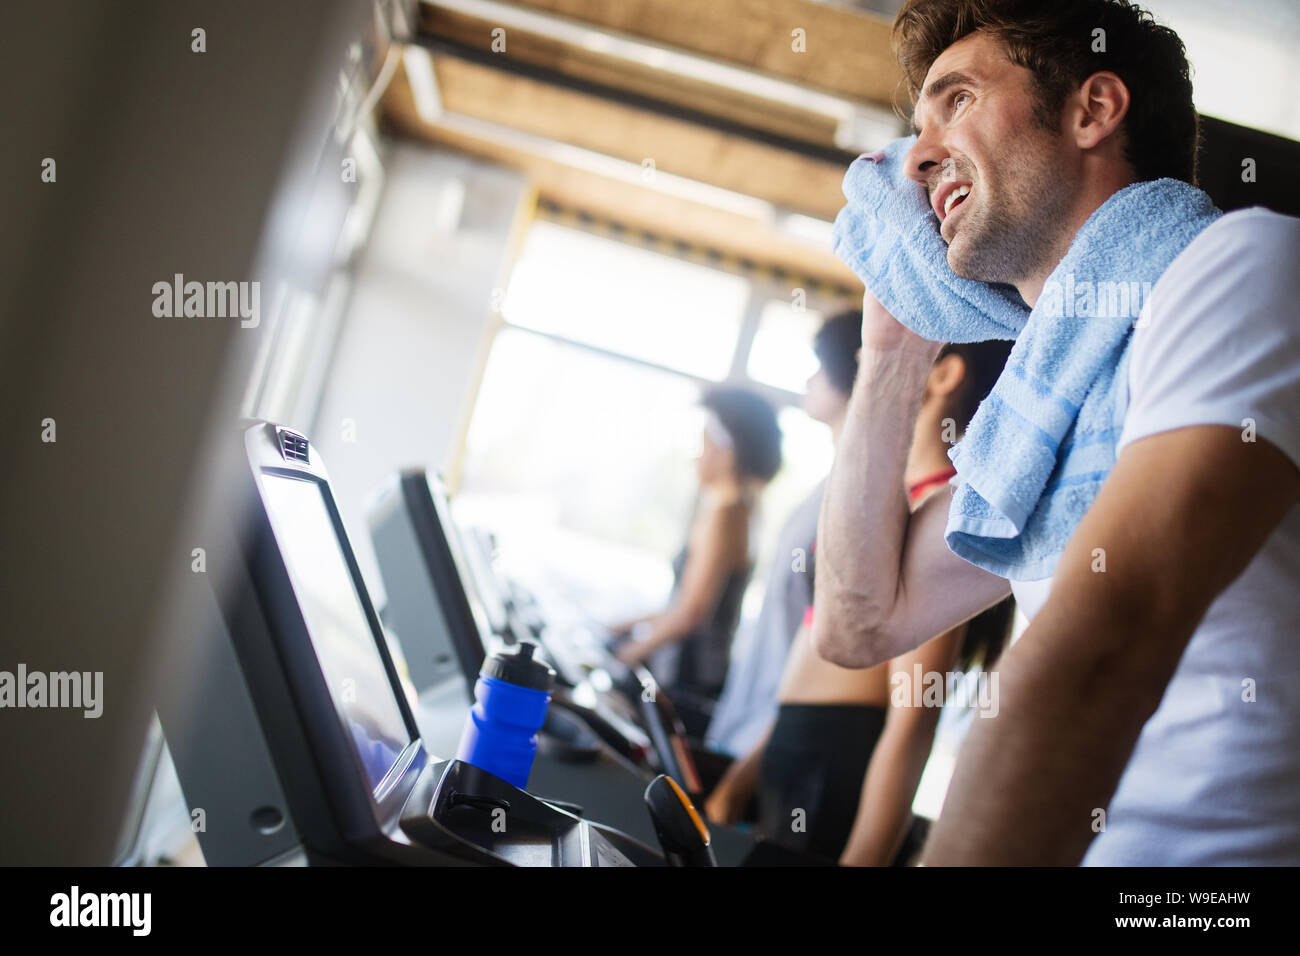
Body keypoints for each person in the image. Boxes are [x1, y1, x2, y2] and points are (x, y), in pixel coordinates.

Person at [817, 0, 1300, 865]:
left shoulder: (1243, 265)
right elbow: (859, 624)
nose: (920, 157)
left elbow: (1105, 645)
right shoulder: (1047, 411)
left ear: (1093, 109)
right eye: (918, 127)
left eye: (957, 99)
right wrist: (891, 344)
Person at [704, 342, 1014, 865]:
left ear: (944, 376)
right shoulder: (892, 499)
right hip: (795, 745)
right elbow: (810, 657)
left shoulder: (942, 513)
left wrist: (864, 858)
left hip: (834, 764)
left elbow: (911, 725)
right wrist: (745, 772)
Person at [702, 311, 863, 764]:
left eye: (820, 366)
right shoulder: (829, 483)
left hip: (767, 738)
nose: (811, 379)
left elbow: (825, 649)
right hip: (747, 719)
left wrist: (752, 763)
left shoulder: (856, 494)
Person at [611, 386, 782, 735]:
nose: (696, 455)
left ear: (726, 452)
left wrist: (624, 657)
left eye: (704, 443)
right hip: (694, 676)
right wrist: (625, 625)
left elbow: (690, 615)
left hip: (685, 683)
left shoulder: (726, 516)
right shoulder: (741, 511)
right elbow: (684, 602)